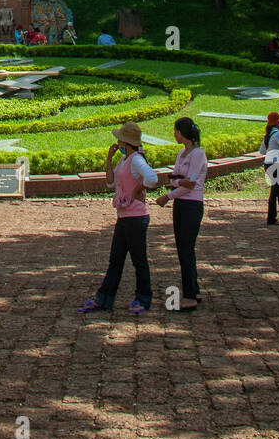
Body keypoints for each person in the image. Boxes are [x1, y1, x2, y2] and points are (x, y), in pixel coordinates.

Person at [79, 122, 159, 314]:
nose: (117, 142)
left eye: (120, 139)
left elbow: (153, 178)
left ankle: (143, 298)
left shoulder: (137, 160)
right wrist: (109, 158)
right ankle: (104, 298)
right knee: (116, 259)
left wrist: (138, 190)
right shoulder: (124, 160)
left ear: (126, 141)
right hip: (124, 216)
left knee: (139, 260)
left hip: (136, 217)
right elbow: (110, 182)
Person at [155, 116, 206, 310]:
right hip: (181, 204)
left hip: (192, 205)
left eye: (176, 130)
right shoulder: (181, 154)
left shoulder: (198, 154)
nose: (174, 134)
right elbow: (179, 179)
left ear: (182, 132)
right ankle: (193, 288)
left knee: (186, 249)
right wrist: (178, 183)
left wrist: (168, 195)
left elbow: (189, 184)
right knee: (184, 249)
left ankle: (190, 295)